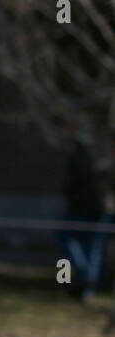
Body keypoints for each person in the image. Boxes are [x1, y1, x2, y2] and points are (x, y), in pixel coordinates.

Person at [60, 125, 114, 301]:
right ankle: (85, 287)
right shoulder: (101, 155)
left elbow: (74, 182)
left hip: (88, 208)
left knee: (69, 240)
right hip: (99, 208)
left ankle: (84, 282)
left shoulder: (83, 156)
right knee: (92, 248)